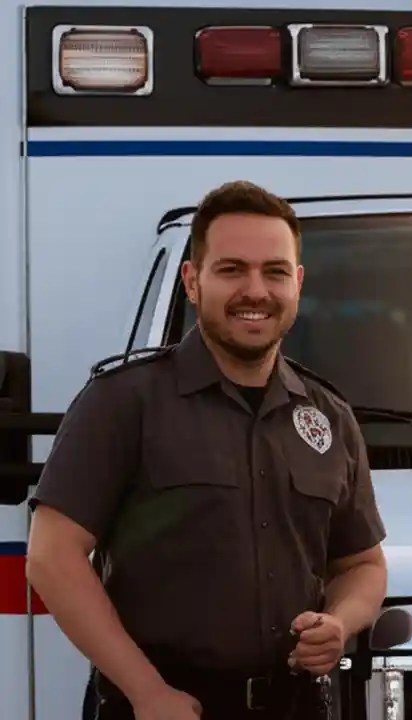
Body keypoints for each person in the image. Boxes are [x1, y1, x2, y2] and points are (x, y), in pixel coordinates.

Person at [26, 180, 389, 719]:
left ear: (298, 283)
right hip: (164, 706)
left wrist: (339, 621)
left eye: (274, 271)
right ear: (192, 281)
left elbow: (364, 564)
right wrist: (146, 692)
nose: (255, 290)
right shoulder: (125, 402)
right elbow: (52, 558)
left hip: (294, 706)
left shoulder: (329, 416)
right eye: (231, 269)